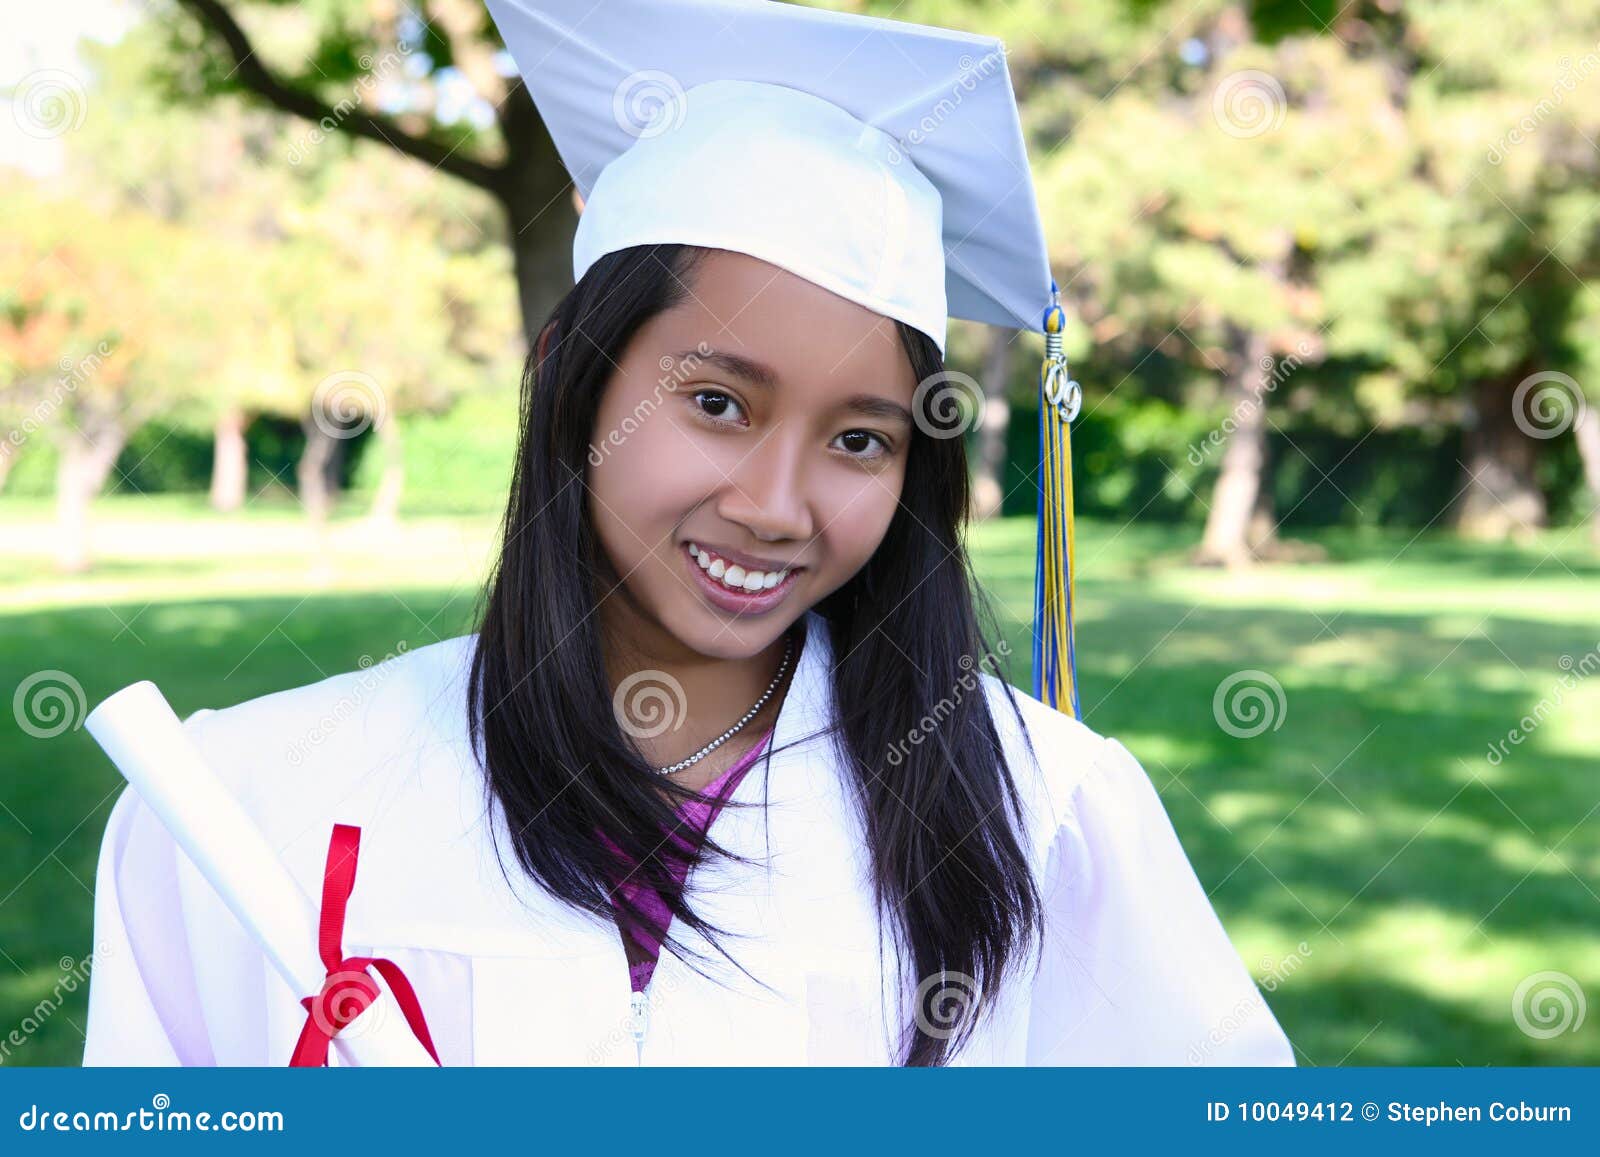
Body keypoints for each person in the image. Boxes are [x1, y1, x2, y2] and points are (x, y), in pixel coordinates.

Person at [82, 0, 1295, 1067]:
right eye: (716, 403)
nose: (775, 504)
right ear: (570, 376)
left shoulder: (1046, 814)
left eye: (859, 438)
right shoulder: (256, 800)